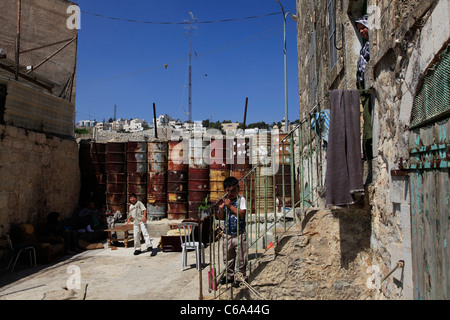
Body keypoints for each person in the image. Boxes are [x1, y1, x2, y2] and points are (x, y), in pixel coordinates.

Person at [216, 176, 247, 287]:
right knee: (228, 257)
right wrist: (221, 208)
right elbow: (220, 217)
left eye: (233, 190)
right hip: (227, 234)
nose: (231, 193)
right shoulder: (225, 202)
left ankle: (241, 277)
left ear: (237, 189)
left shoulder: (241, 200)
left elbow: (242, 213)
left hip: (239, 234)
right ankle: (229, 276)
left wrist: (230, 206)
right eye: (228, 191)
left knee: (241, 257)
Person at [355, 14, 373, 161]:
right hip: (362, 86)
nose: (361, 32)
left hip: (367, 86)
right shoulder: (365, 47)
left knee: (368, 120)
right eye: (359, 29)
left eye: (364, 27)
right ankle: (366, 151)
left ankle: (368, 152)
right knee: (365, 120)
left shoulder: (371, 45)